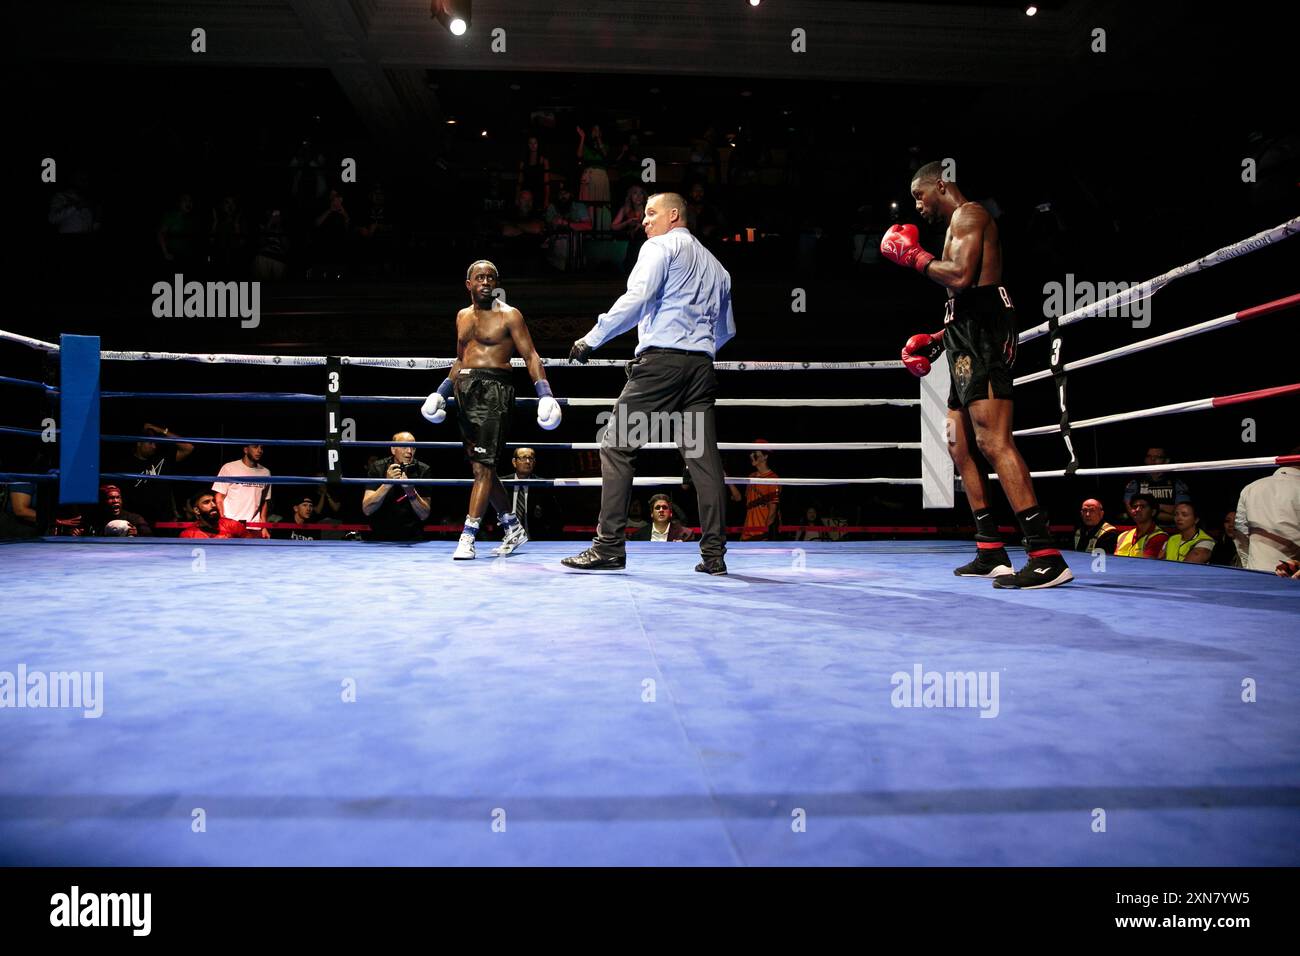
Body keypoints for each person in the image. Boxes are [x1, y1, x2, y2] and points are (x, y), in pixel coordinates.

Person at [888, 160, 1071, 588]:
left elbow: (962, 276)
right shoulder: (955, 225)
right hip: (964, 334)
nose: (917, 205)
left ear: (940, 184)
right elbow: (965, 296)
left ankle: (1045, 555)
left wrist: (913, 257)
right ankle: (990, 548)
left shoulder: (970, 215)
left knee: (993, 441)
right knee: (958, 443)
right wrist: (938, 338)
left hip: (984, 336)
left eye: (919, 195)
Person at [562, 191, 735, 574]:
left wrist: (592, 338)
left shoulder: (660, 248)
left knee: (616, 443)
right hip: (701, 368)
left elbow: (637, 298)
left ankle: (608, 546)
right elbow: (726, 331)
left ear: (674, 215)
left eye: (651, 213)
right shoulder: (719, 269)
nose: (644, 220)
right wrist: (694, 350)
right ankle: (714, 557)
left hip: (661, 365)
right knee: (704, 462)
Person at [421, 260, 561, 560]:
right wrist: (440, 392)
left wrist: (545, 394)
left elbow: (531, 356)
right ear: (468, 284)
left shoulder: (510, 315)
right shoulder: (461, 317)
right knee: (481, 467)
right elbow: (460, 360)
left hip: (495, 391)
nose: (485, 281)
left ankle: (468, 535)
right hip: (465, 392)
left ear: (496, 283)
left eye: (490, 277)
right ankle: (512, 526)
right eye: (479, 277)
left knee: (483, 467)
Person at [111, 422, 195, 526]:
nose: (154, 446)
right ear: (139, 443)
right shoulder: (126, 465)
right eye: (150, 443)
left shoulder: (162, 458)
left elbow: (188, 447)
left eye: (155, 443)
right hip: (138, 521)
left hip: (164, 519)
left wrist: (161, 430)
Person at [361, 433, 432, 542]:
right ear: (393, 449)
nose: (409, 451)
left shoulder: (423, 470)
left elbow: (424, 515)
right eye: (404, 446)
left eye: (413, 447)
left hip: (413, 536)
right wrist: (387, 483)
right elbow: (367, 509)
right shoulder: (378, 467)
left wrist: (410, 491)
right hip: (379, 536)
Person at [1233, 461, 1300, 572]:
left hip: (1258, 571)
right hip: (1291, 576)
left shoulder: (1251, 487)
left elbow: (1241, 534)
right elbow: (1241, 533)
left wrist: (1248, 565)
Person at [213, 444, 272, 539]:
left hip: (253, 527)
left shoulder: (265, 473)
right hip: (230, 525)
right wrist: (223, 521)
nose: (260, 450)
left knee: (253, 553)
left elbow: (265, 501)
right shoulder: (229, 467)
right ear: (245, 450)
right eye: (255, 447)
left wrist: (264, 526)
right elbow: (219, 497)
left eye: (262, 447)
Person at [1123, 447, 1191, 526]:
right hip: (1144, 528)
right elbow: (1132, 512)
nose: (1152, 460)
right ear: (1145, 460)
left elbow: (1182, 512)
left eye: (1157, 457)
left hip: (1171, 530)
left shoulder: (1176, 483)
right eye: (1149, 456)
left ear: (1166, 461)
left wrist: (1156, 507)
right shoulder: (1136, 482)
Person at [502, 447, 557, 539]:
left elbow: (555, 517)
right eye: (523, 458)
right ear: (514, 462)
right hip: (501, 539)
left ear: (534, 463)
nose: (527, 461)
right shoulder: (501, 484)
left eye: (530, 458)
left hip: (535, 541)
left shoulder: (543, 485)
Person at [730, 444, 780, 541]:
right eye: (751, 453)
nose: (751, 456)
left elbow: (773, 511)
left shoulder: (773, 478)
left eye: (755, 453)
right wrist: (727, 479)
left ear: (765, 456)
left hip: (761, 535)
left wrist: (764, 534)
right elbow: (741, 500)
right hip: (746, 533)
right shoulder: (751, 476)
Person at [1115, 493, 1169, 559]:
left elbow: (1146, 565)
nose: (1137, 510)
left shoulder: (1159, 537)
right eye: (1135, 507)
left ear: (1153, 512)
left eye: (1142, 506)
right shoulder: (1123, 536)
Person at [179, 492, 254, 539]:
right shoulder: (188, 535)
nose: (214, 505)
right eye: (206, 502)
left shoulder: (232, 525)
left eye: (214, 501)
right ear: (196, 510)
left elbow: (250, 549)